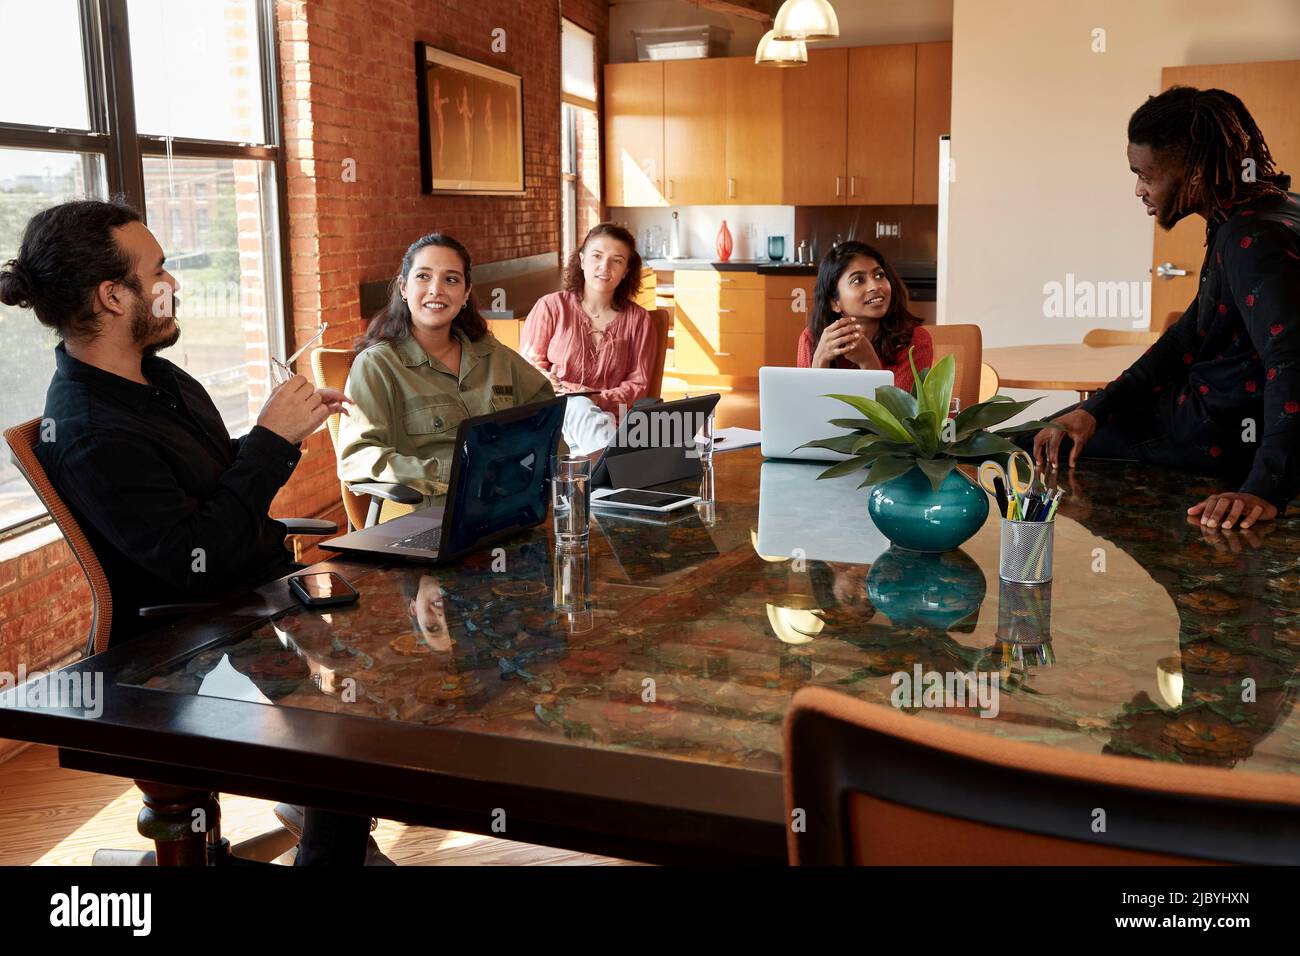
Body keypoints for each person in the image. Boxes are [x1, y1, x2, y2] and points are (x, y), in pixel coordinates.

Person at [0, 198, 376, 865]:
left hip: (245, 597)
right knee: (351, 726)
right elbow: (194, 560)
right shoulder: (90, 429)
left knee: (379, 684)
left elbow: (208, 485)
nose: (173, 284)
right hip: (180, 638)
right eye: (160, 271)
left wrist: (282, 429)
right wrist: (268, 441)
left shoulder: (156, 378)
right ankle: (327, 836)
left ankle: (328, 830)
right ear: (115, 296)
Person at [1031, 86, 1300, 532]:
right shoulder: (1269, 209)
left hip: (1214, 432)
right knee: (1054, 429)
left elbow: (1290, 359)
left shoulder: (1251, 238)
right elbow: (1183, 339)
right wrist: (1094, 409)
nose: (1138, 189)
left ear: (1194, 171)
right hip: (1210, 419)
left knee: (1021, 444)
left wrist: (1264, 488)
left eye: (1145, 174)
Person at [337, 232, 555, 514]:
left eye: (450, 279)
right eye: (423, 277)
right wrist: (450, 473)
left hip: (509, 507)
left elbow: (547, 415)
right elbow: (356, 457)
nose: (436, 289)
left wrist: (543, 476)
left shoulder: (491, 353)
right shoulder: (377, 365)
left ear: (465, 294)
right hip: (434, 517)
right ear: (403, 287)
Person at [519, 223, 657, 455]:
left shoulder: (639, 320)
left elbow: (638, 385)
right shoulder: (551, 307)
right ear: (582, 260)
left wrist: (597, 401)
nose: (605, 267)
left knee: (585, 432)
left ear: (626, 271)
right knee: (579, 406)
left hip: (610, 419)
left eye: (617, 260)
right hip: (556, 416)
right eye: (597, 256)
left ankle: (597, 471)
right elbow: (526, 369)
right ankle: (616, 472)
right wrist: (545, 380)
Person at [797, 240, 933, 391]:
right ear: (834, 302)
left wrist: (868, 361)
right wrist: (820, 360)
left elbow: (902, 413)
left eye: (879, 275)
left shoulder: (915, 340)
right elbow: (807, 409)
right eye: (858, 280)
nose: (875, 286)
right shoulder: (811, 338)